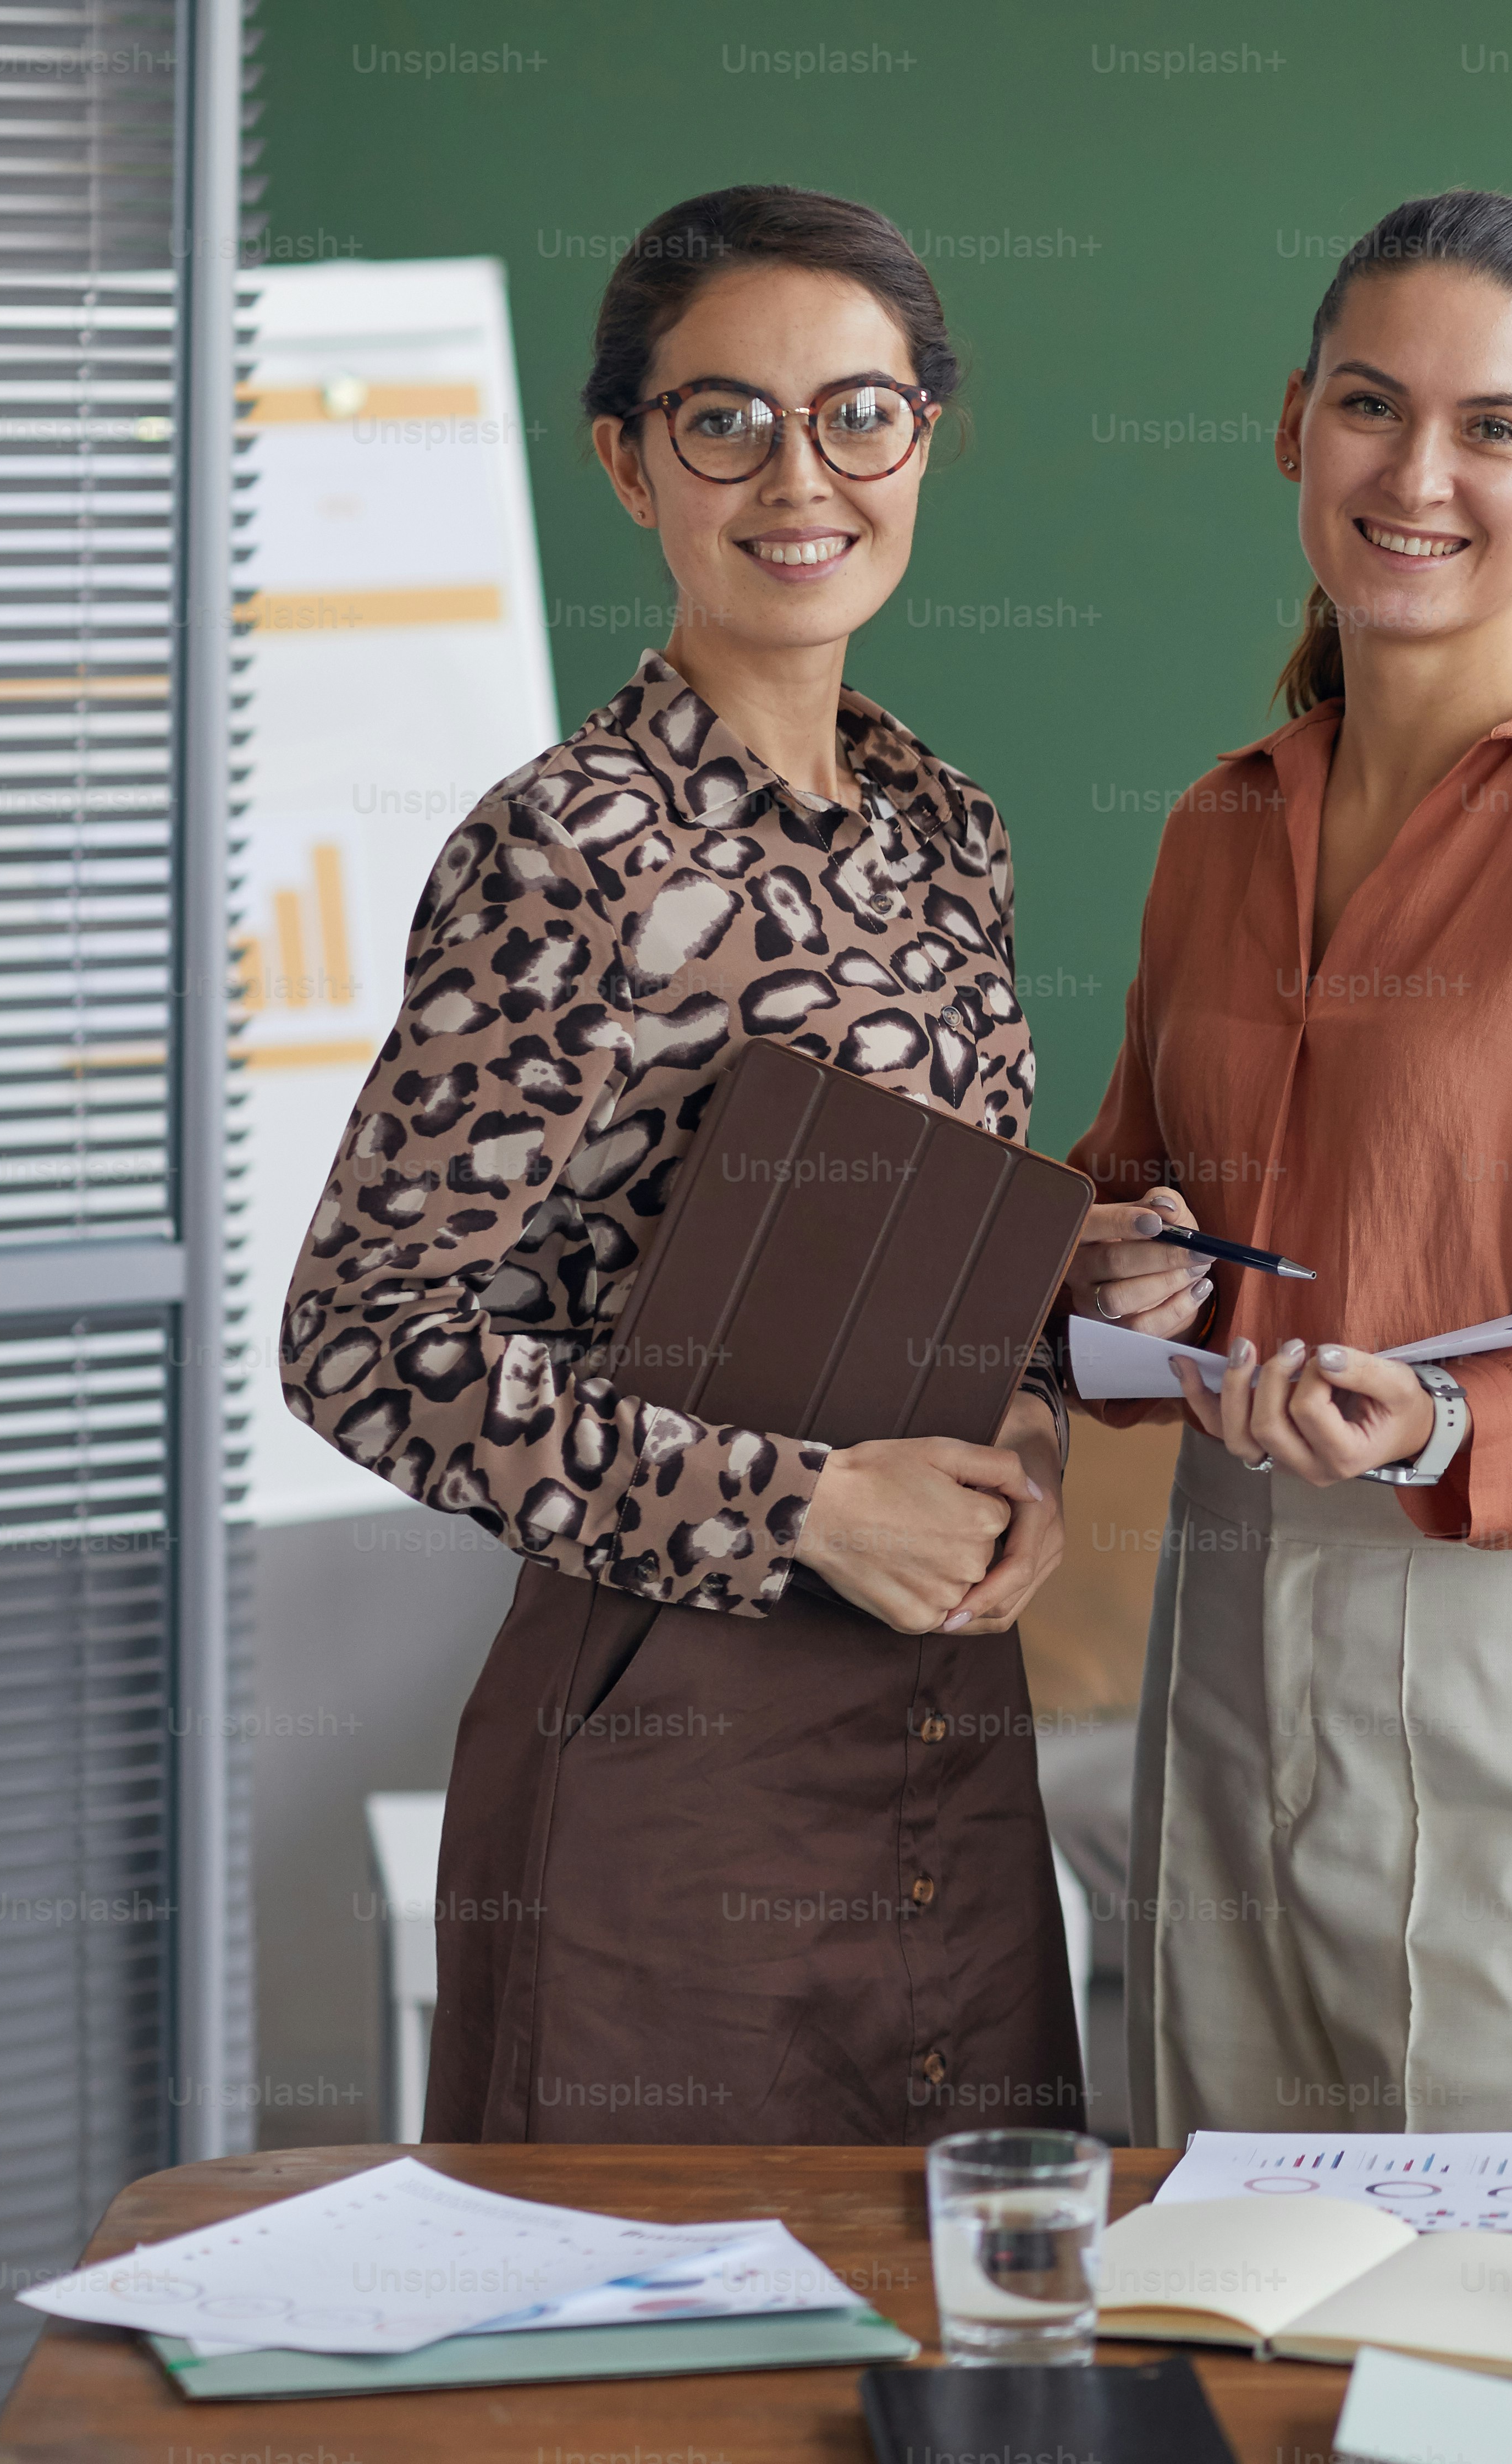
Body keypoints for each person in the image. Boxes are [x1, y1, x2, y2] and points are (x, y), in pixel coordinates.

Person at [279, 186, 1084, 2143]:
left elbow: (905, 1275)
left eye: (860, 415)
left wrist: (1033, 1436)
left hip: (941, 1732)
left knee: (974, 2353)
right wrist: (807, 1509)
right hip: (663, 1746)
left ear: (926, 437)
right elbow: (363, 1340)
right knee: (664, 2390)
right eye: (724, 420)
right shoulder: (569, 852)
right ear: (627, 461)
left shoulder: (938, 831)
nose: (799, 477)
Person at [1065, 190, 1512, 2140]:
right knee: (1214, 2265)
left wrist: (1429, 1420)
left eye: (1492, 427)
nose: (1420, 473)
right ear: (1295, 423)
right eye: (1373, 409)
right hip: (1219, 1635)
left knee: (1490, 2318)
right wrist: (1101, 1261)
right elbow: (1125, 1181)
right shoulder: (1218, 829)